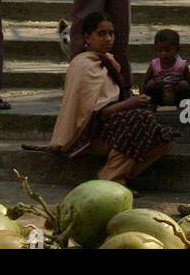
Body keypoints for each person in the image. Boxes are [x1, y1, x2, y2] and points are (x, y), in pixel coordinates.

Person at [43, 11, 176, 185]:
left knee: (164, 139)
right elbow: (96, 113)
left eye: (111, 34)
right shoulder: (83, 65)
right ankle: (111, 177)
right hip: (89, 133)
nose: (108, 38)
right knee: (140, 119)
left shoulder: (108, 60)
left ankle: (122, 177)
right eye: (101, 34)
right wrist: (130, 103)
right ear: (87, 37)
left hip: (111, 127)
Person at [141, 29, 190, 107]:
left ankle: (181, 107)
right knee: (151, 84)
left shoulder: (181, 65)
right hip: (159, 97)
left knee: (184, 84)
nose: (163, 54)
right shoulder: (154, 65)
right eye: (160, 50)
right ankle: (153, 106)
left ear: (177, 49)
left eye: (167, 50)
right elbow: (144, 82)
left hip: (176, 96)